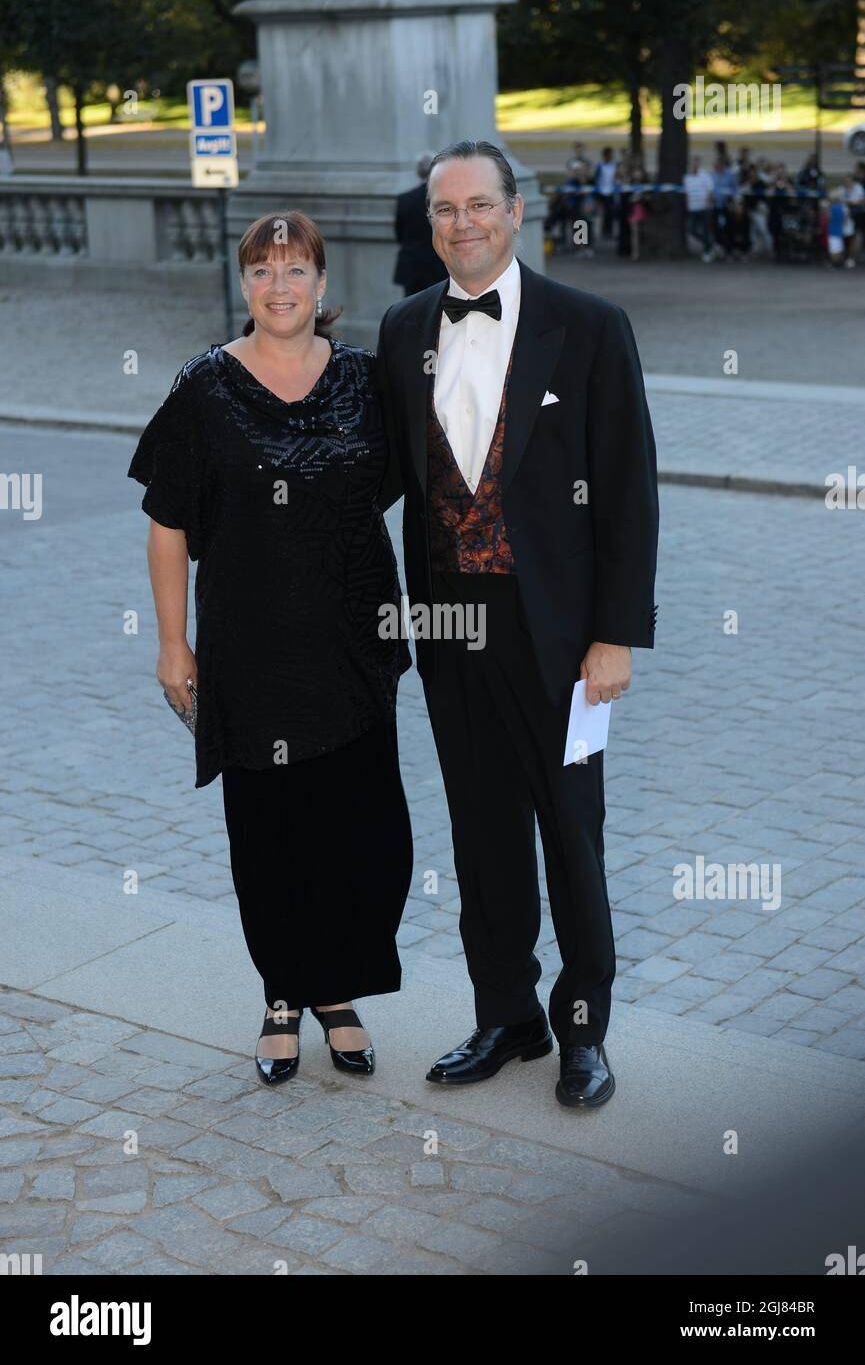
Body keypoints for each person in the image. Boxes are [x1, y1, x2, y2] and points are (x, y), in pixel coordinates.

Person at [375, 140, 659, 1109]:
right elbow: (380, 479)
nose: (461, 223)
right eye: (443, 209)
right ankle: (507, 1013)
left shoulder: (589, 327)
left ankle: (584, 1031)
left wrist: (614, 635)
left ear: (516, 211)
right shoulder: (403, 326)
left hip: (561, 633)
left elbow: (628, 491)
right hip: (450, 624)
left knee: (571, 836)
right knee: (481, 831)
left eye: (478, 205)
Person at [127, 209, 414, 1087]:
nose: (279, 286)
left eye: (296, 271)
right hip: (250, 655)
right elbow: (167, 524)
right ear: (243, 283)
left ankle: (336, 983)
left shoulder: (369, 380)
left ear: (323, 287)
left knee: (366, 837)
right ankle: (287, 995)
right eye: (262, 270)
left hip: (353, 651)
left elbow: (396, 493)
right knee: (271, 837)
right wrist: (174, 645)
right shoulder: (204, 387)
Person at [393, 152, 450, 296]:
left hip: (413, 267)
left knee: (411, 312)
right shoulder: (446, 199)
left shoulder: (405, 199)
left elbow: (400, 234)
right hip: (440, 265)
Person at [683, 155, 714, 260]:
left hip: (703, 207)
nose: (694, 165)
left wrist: (707, 204)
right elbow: (687, 192)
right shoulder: (687, 177)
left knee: (705, 230)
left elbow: (710, 191)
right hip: (692, 208)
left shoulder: (705, 176)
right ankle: (710, 243)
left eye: (696, 162)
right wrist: (687, 205)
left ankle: (707, 251)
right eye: (693, 163)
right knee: (691, 229)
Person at [594, 146, 618, 239]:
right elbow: (597, 178)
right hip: (601, 192)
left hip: (611, 192)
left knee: (610, 212)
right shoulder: (600, 165)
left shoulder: (614, 165)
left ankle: (609, 230)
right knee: (601, 212)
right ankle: (602, 231)